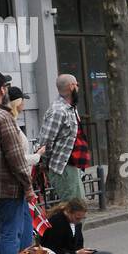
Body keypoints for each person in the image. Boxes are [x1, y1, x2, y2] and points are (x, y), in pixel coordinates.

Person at [0, 70, 34, 254]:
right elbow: (16, 158)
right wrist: (28, 187)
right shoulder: (4, 118)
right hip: (7, 187)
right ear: (2, 89)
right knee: (10, 232)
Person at [40, 198, 128, 254]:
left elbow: (79, 243)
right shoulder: (58, 222)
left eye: (81, 218)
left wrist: (85, 252)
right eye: (77, 218)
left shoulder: (76, 223)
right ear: (69, 211)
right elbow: (53, 250)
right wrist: (76, 253)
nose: (79, 221)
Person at [37, 74, 88, 202]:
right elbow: (45, 142)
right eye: (77, 85)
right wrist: (47, 163)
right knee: (75, 208)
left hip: (72, 166)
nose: (78, 88)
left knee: (76, 208)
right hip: (63, 168)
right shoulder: (58, 111)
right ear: (72, 87)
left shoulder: (70, 108)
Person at [7, 85, 43, 254]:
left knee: (21, 226)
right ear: (17, 102)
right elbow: (16, 157)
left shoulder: (12, 121)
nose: (24, 105)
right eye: (22, 101)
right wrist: (36, 157)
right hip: (17, 183)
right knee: (20, 228)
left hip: (18, 181)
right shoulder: (9, 123)